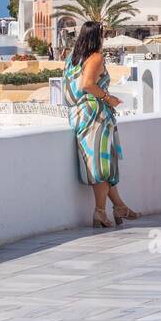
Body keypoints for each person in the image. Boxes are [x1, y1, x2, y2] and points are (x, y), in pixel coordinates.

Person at [63, 20, 139, 228]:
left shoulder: (73, 58)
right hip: (94, 115)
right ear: (98, 37)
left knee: (99, 162)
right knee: (102, 165)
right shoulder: (95, 58)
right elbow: (87, 84)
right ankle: (99, 212)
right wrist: (109, 98)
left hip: (78, 114)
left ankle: (119, 206)